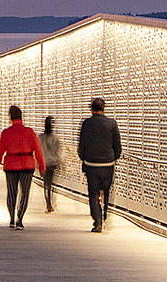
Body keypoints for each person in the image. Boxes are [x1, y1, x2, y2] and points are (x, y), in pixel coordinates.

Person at [0, 105, 45, 230]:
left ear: (10, 118)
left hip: (11, 166)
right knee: (24, 193)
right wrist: (41, 166)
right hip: (27, 165)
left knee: (11, 192)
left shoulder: (6, 133)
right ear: (21, 117)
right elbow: (38, 150)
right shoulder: (30, 132)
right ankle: (20, 218)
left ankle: (12, 218)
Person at [76, 96, 122, 232]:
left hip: (92, 164)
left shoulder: (86, 124)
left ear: (91, 109)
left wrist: (83, 158)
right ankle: (105, 214)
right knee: (106, 191)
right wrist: (115, 157)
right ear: (103, 108)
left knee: (93, 193)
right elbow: (117, 144)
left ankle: (97, 221)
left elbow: (81, 144)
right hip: (108, 163)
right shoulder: (112, 123)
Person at [39, 114, 65, 211]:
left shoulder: (40, 138)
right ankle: (50, 202)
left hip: (44, 163)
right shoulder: (55, 138)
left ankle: (48, 203)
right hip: (53, 163)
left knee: (46, 183)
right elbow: (58, 151)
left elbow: (37, 152)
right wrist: (61, 163)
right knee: (51, 183)